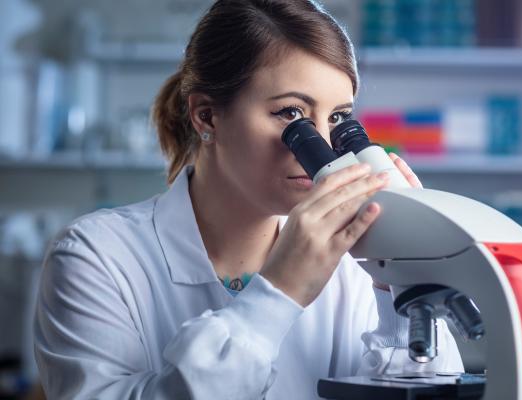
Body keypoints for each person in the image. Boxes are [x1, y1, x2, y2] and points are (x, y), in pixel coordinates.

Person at [33, 0, 463, 398]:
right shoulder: (97, 258)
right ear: (207, 116)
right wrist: (280, 293)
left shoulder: (354, 269)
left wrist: (403, 280)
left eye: (337, 119)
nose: (320, 145)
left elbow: (431, 387)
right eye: (290, 114)